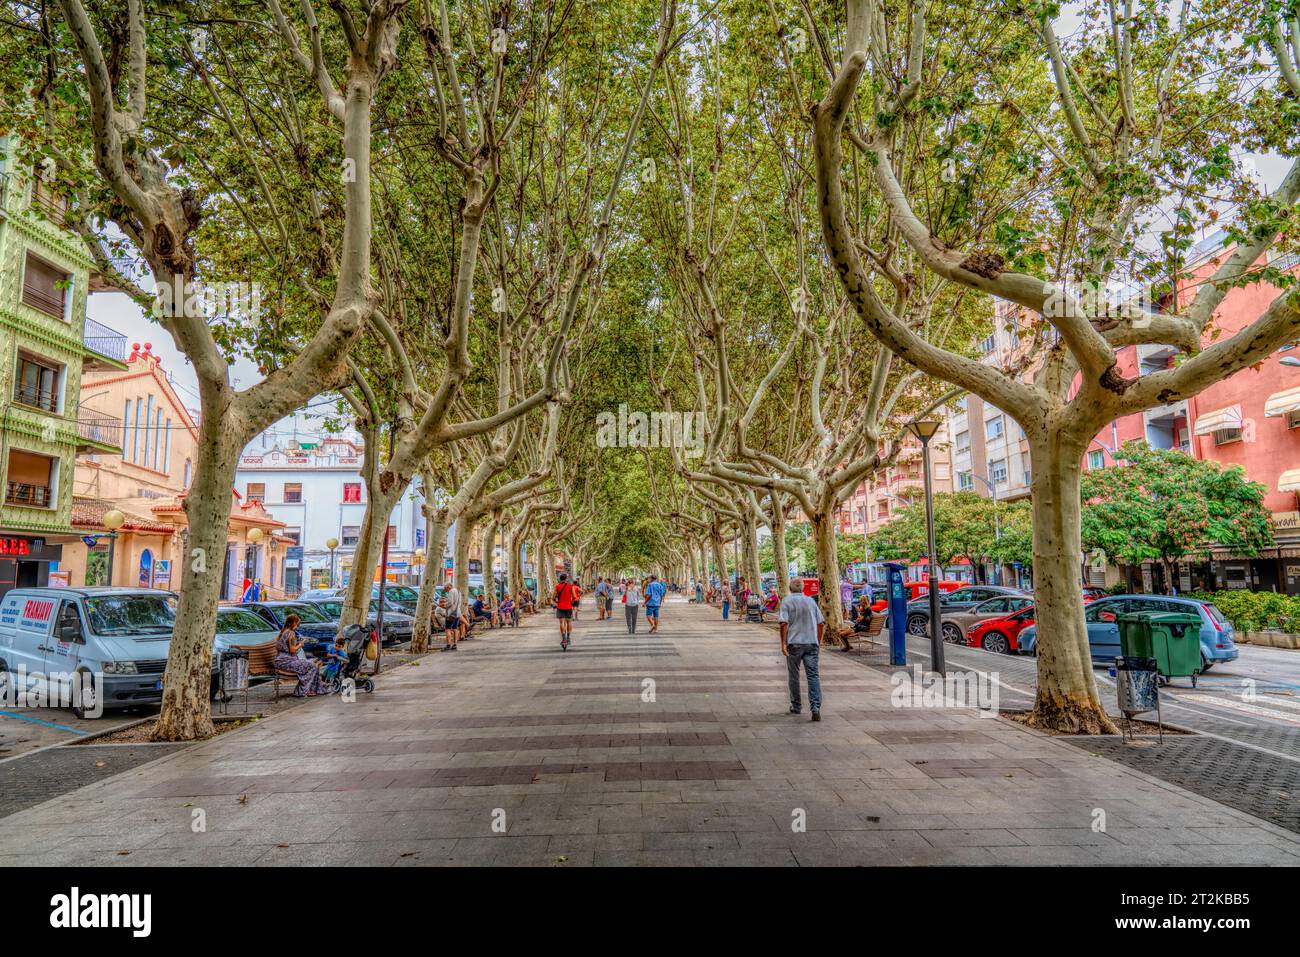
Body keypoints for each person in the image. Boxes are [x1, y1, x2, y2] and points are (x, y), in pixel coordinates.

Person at [779, 578, 825, 721]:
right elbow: (821, 623)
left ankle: (796, 706)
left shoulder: (786, 601)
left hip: (794, 643)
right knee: (813, 675)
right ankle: (815, 707)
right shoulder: (811, 601)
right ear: (803, 588)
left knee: (794, 675)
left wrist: (783, 643)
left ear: (790, 588)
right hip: (811, 643)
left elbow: (783, 624)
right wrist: (819, 640)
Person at [274, 614, 333, 696]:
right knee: (313, 666)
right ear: (293, 623)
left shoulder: (283, 631)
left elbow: (287, 648)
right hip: (286, 662)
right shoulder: (291, 633)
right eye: (297, 624)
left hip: (281, 662)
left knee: (315, 663)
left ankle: (312, 689)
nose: (298, 626)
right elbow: (292, 650)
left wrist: (296, 644)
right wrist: (300, 645)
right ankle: (303, 691)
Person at [554, 573, 577, 650]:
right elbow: (575, 597)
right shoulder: (571, 586)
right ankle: (568, 638)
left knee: (561, 623)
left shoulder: (557, 586)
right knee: (569, 622)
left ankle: (563, 638)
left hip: (560, 606)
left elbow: (553, 597)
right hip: (568, 606)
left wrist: (557, 601)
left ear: (560, 579)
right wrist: (571, 602)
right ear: (566, 579)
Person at [443, 584, 463, 651]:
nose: (445, 590)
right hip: (457, 612)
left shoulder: (451, 591)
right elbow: (459, 602)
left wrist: (445, 605)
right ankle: (455, 645)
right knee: (455, 629)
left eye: (445, 589)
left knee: (447, 629)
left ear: (448, 587)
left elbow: (450, 602)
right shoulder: (458, 591)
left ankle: (448, 645)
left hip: (451, 613)